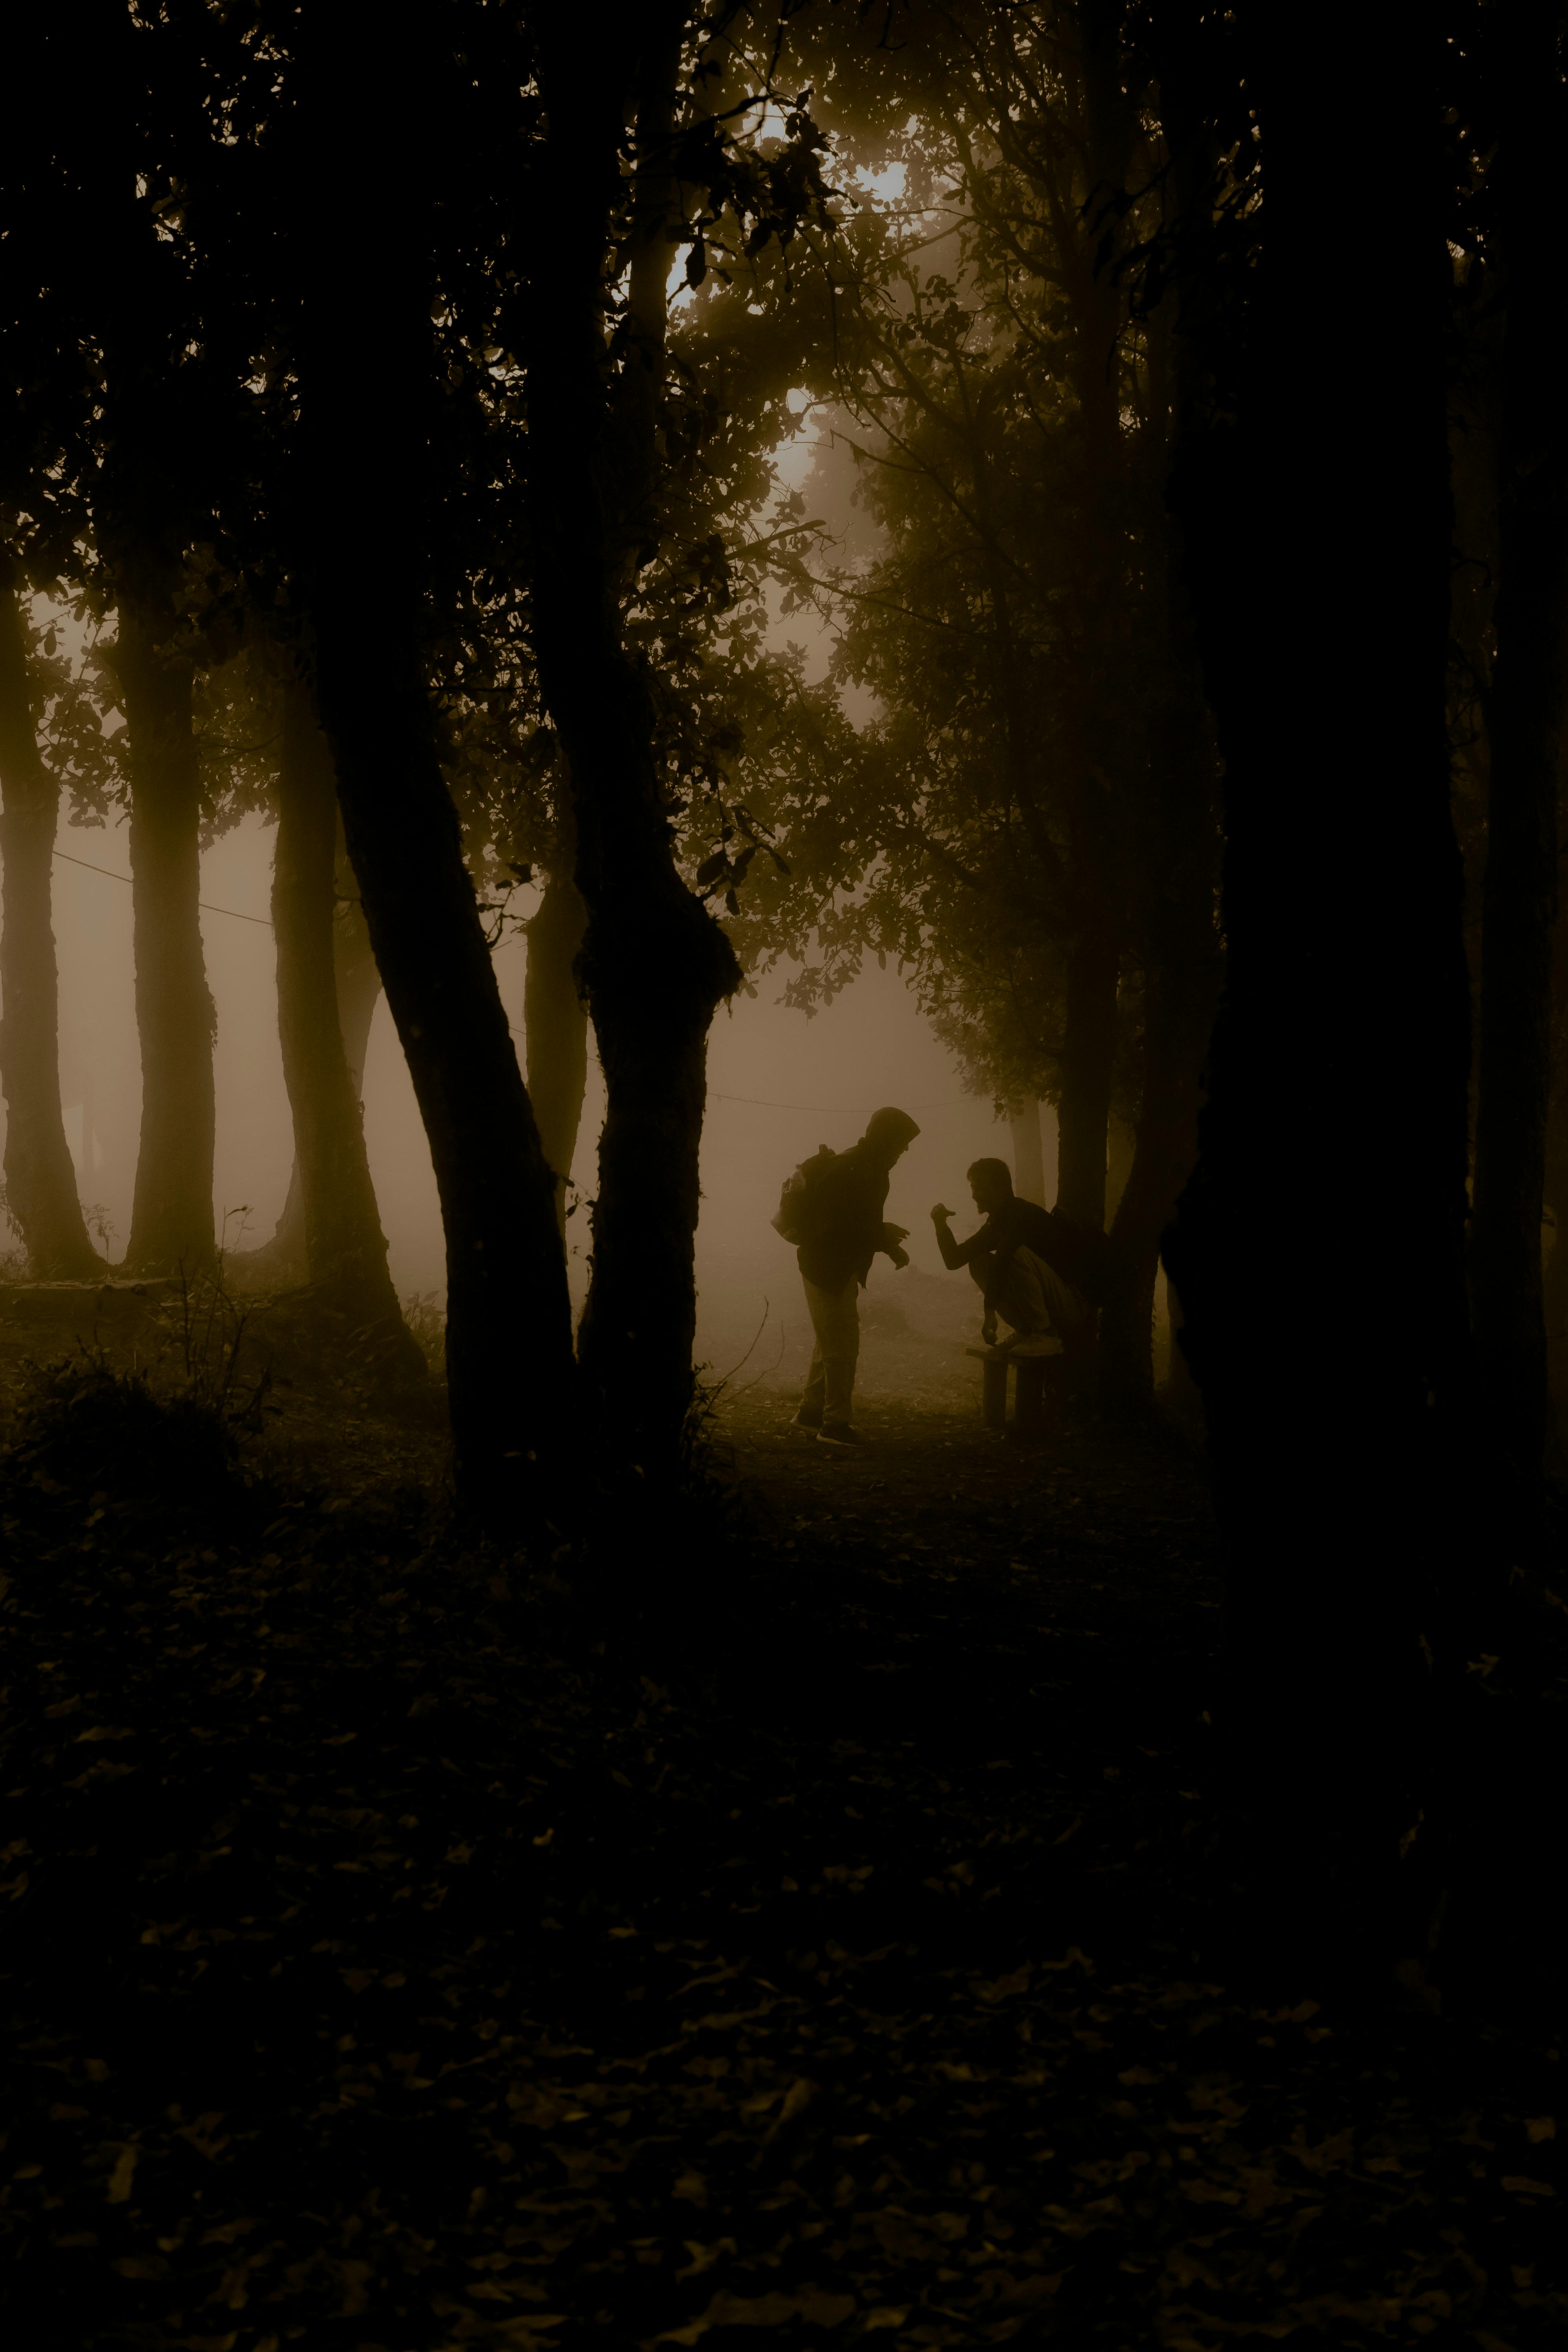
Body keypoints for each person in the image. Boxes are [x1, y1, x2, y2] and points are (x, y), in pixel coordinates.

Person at [786, 1105, 919, 1447]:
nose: (903, 1153)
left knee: (829, 1343)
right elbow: (834, 1231)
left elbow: (862, 1224)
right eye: (900, 1145)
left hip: (838, 1269)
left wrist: (887, 1245)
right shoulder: (851, 1170)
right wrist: (883, 1236)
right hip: (826, 1268)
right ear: (882, 1139)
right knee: (842, 1348)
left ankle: (810, 1414)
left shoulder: (871, 1169)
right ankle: (835, 1426)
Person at [930, 1157, 1108, 1358]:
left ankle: (1045, 1336)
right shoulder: (997, 1223)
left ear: (1001, 1188)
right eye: (973, 1188)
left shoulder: (1022, 1215)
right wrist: (940, 1224)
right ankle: (1027, 1332)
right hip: (1057, 1306)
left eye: (980, 1189)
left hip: (1075, 1307)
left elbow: (1004, 1259)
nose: (974, 1196)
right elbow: (954, 1260)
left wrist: (989, 1311)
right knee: (978, 1261)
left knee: (1014, 1253)